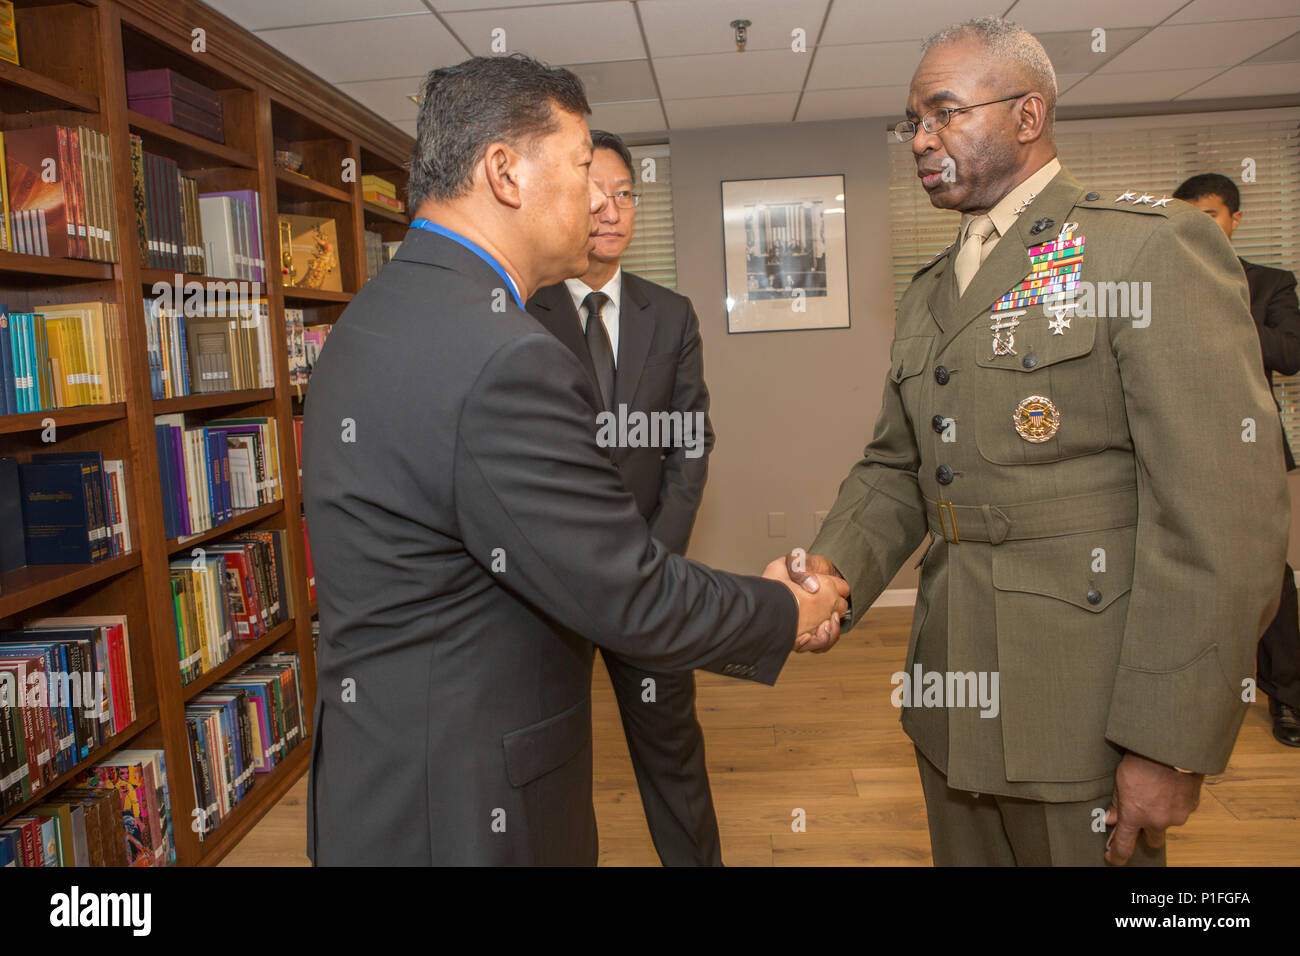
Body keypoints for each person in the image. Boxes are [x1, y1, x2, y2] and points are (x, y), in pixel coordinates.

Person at [301, 54, 847, 866]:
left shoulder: (373, 315)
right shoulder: (504, 353)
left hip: (378, 782)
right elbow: (625, 590)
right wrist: (783, 609)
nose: (601, 197)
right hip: (465, 807)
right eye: (585, 163)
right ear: (505, 172)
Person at [789, 17, 1288, 866]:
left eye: (945, 112)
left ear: (1028, 116)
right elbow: (899, 466)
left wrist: (1169, 739)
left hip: (1084, 706)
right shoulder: (931, 290)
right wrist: (831, 572)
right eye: (913, 120)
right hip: (953, 694)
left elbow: (1222, 521)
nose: (921, 139)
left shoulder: (1144, 250)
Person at [527, 130, 722, 865]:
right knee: (551, 764)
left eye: (626, 194)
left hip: (650, 580)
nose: (610, 210)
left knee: (674, 756)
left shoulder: (669, 315)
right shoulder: (521, 309)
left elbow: (689, 448)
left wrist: (654, 560)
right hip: (549, 589)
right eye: (592, 193)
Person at [1173, 172, 1300, 748]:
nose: (1203, 226)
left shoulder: (1270, 284)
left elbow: (1291, 354)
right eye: (1191, 215)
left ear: (1236, 220)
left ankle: (1290, 698)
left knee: (1265, 571)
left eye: (1213, 215)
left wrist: (1223, 306)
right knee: (1173, 565)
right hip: (1170, 444)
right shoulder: (1157, 278)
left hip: (1247, 449)